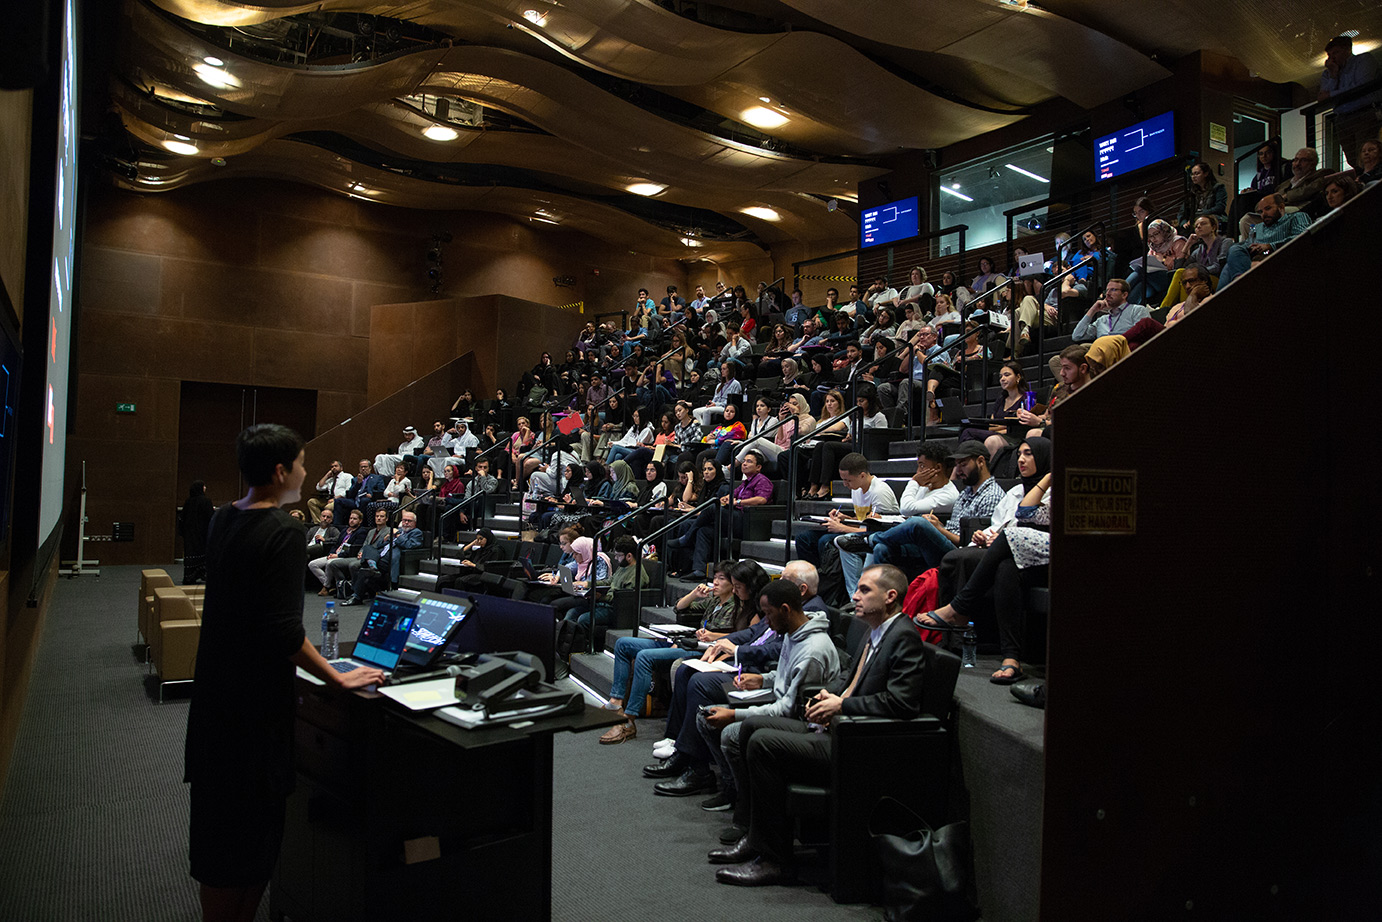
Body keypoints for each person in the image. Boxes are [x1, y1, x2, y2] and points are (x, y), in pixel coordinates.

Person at [184, 424, 383, 922]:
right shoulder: (284, 531)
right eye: (299, 463)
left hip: (213, 703)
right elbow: (282, 631)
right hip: (253, 713)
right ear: (279, 471)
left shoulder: (220, 519)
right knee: (252, 844)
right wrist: (336, 677)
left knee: (217, 842)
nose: (306, 470)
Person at [709, 564, 927, 886]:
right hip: (839, 728)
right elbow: (854, 678)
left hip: (856, 743)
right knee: (752, 727)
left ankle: (775, 860)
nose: (855, 595)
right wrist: (832, 693)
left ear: (891, 596)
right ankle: (759, 841)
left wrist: (843, 704)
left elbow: (902, 703)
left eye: (865, 590)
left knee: (763, 742)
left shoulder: (904, 637)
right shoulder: (877, 630)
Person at [656, 579, 840, 810]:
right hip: (775, 698)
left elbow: (789, 709)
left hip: (795, 718)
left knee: (727, 730)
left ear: (785, 609)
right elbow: (783, 675)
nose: (768, 624)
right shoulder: (794, 632)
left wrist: (734, 715)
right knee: (705, 716)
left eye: (769, 615)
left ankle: (740, 798)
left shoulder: (812, 650)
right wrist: (763, 679)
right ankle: (727, 784)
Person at [918, 466, 1052, 686]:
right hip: (1031, 557)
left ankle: (958, 608)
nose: (1021, 460)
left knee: (1009, 536)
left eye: (1029, 454)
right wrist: (1048, 478)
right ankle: (1011, 658)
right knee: (1006, 567)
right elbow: (1025, 511)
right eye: (1020, 454)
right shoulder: (1034, 488)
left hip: (1064, 551)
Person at [599, 560, 753, 745]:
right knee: (623, 643)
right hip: (685, 641)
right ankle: (615, 702)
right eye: (715, 578)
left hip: (700, 651)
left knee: (644, 657)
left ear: (733, 584)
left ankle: (629, 720)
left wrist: (713, 635)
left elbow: (740, 636)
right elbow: (679, 607)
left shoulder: (738, 606)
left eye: (722, 579)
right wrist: (695, 593)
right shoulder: (714, 602)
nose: (716, 583)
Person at [860, 441, 1005, 576]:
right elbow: (953, 529)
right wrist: (939, 525)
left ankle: (867, 540)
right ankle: (884, 600)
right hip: (948, 546)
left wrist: (938, 529)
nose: (958, 471)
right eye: (957, 465)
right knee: (882, 549)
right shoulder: (966, 493)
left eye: (963, 464)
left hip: (963, 555)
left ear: (980, 462)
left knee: (918, 523)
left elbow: (972, 543)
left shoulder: (991, 496)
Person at [1217, 193, 1312, 289]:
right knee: (1234, 252)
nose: (1263, 214)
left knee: (1231, 265)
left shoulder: (1296, 217)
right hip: (1255, 258)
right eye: (1260, 211)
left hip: (1280, 257)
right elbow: (1248, 245)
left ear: (1281, 207)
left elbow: (1302, 237)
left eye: (1268, 209)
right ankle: (1238, 281)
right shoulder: (1258, 227)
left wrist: (1269, 245)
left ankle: (1237, 286)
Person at [1318, 35, 1382, 168]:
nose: (1332, 58)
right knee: (1352, 158)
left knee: (1367, 152)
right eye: (1329, 54)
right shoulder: (1327, 73)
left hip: (1364, 113)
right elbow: (1323, 97)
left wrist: (1332, 94)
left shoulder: (1363, 60)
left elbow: (1363, 85)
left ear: (1347, 50)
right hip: (1342, 118)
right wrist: (1333, 76)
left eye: (1336, 52)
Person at [1071, 279, 1151, 343]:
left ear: (1124, 295)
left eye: (1113, 290)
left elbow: (1143, 336)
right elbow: (1077, 336)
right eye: (1107, 290)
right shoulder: (1102, 320)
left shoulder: (1137, 310)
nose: (1108, 294)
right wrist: (1092, 310)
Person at [308, 507, 365, 594]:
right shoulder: (345, 531)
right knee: (312, 564)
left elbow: (353, 549)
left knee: (329, 563)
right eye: (350, 518)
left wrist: (338, 556)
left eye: (355, 519)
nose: (352, 520)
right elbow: (336, 544)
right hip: (335, 554)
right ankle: (331, 585)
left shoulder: (361, 532)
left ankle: (325, 587)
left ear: (360, 521)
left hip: (344, 556)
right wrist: (332, 553)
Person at [1176, 160, 1228, 234]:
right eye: (1192, 174)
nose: (1193, 177)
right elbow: (1182, 212)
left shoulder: (1218, 187)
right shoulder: (1192, 192)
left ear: (1206, 174)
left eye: (1197, 173)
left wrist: (1199, 215)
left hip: (1213, 217)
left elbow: (1220, 207)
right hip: (1195, 220)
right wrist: (1183, 223)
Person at [179, 481, 215, 584]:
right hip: (202, 534)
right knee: (204, 555)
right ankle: (204, 574)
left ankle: (190, 576)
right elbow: (210, 517)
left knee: (191, 555)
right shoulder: (206, 501)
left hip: (190, 535)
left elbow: (182, 518)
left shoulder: (188, 502)